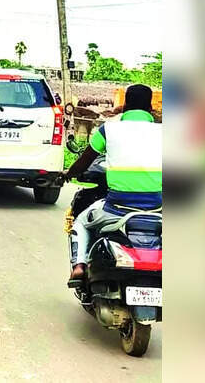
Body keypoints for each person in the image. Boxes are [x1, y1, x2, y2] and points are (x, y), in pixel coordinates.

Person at [64, 84, 161, 284]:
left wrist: (67, 174)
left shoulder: (108, 129)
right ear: (150, 108)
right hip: (157, 209)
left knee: (81, 222)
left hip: (116, 208)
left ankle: (79, 266)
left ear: (125, 106)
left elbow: (85, 161)